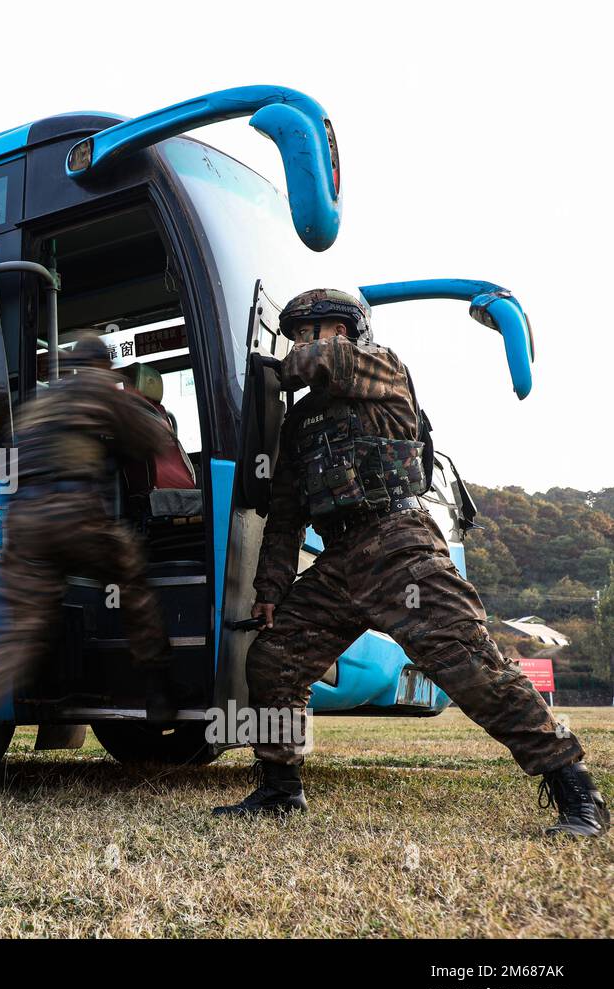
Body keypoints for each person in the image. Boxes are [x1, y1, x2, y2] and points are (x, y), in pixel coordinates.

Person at [212, 289, 607, 838]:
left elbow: (327, 361)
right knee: (274, 659)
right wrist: (271, 589)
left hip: (401, 544)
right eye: (297, 333)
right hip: (341, 557)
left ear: (347, 331)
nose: (305, 342)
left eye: (316, 330)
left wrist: (275, 369)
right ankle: (281, 790)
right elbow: (283, 517)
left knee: (471, 665)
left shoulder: (381, 370)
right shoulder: (298, 422)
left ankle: (576, 792)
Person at [0, 332, 177, 725]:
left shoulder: (41, 404)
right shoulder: (102, 390)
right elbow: (154, 440)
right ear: (104, 365)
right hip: (73, 513)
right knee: (130, 569)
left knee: (21, 629)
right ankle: (158, 686)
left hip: (25, 521)